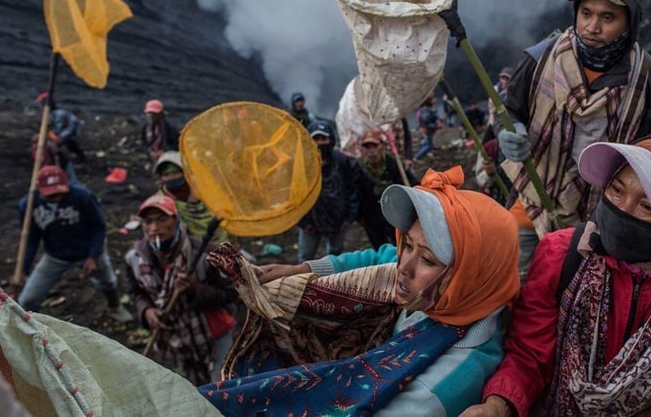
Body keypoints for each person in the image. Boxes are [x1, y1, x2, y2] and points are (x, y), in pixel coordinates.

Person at [463, 130, 651, 416]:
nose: (622, 210)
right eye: (616, 189)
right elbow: (530, 352)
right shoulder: (562, 255)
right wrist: (500, 403)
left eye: (648, 205)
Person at [200, 166, 520, 415]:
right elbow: (382, 256)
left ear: (471, 274)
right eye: (407, 244)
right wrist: (303, 270)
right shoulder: (444, 297)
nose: (403, 267)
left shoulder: (448, 379)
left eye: (426, 259)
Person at [495, 0, 651, 277]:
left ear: (630, 22)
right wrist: (510, 131)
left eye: (608, 17)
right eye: (586, 13)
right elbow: (509, 110)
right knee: (513, 287)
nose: (592, 27)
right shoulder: (540, 59)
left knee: (573, 296)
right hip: (531, 204)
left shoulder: (649, 83)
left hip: (598, 222)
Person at [125, 193, 237, 384]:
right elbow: (136, 292)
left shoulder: (203, 254)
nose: (155, 228)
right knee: (191, 389)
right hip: (175, 341)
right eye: (148, 221)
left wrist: (195, 289)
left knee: (222, 387)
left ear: (176, 220)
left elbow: (231, 294)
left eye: (162, 220)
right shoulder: (135, 258)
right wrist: (147, 312)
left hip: (214, 335)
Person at [15, 166, 133, 322]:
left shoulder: (82, 197)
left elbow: (99, 227)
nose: (56, 198)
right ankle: (31, 325)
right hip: (55, 255)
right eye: (50, 195)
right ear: (39, 190)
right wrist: (23, 269)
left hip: (87, 249)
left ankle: (115, 306)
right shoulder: (29, 205)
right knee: (28, 299)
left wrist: (92, 256)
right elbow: (31, 239)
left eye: (59, 193)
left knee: (108, 281)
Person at [297, 120, 359, 262]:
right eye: (316, 139)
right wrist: (302, 222)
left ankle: (330, 282)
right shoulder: (302, 163)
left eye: (323, 138)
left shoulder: (341, 160)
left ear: (330, 139)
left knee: (335, 255)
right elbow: (294, 197)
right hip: (310, 221)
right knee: (306, 256)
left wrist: (349, 217)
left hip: (338, 219)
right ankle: (303, 282)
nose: (320, 143)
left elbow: (351, 189)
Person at [356, 129, 418, 249]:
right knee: (381, 249)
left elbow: (412, 182)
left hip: (394, 215)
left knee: (401, 246)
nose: (371, 151)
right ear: (362, 149)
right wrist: (359, 217)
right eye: (367, 147)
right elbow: (354, 193)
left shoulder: (393, 162)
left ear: (383, 146)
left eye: (374, 146)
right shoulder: (358, 168)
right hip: (372, 218)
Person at [154, 150, 228, 243]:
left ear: (185, 172)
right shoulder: (160, 201)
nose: (171, 178)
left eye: (175, 173)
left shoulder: (202, 187)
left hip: (219, 240)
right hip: (188, 247)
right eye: (166, 175)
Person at [37, 92, 85, 163]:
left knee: (62, 146)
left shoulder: (59, 114)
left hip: (68, 134)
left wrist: (60, 137)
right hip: (64, 134)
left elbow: (66, 127)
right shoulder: (52, 114)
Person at [142, 99, 180, 164]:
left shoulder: (169, 128)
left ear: (160, 114)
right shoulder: (146, 128)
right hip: (151, 157)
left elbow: (177, 145)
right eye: (149, 113)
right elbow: (144, 142)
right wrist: (150, 152)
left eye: (154, 114)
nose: (151, 116)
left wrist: (164, 151)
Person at [414, 92, 441, 161]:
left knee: (427, 142)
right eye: (433, 98)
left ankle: (420, 156)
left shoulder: (426, 109)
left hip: (427, 130)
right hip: (428, 130)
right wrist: (436, 126)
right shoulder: (425, 110)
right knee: (429, 145)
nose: (435, 100)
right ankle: (417, 157)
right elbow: (427, 123)